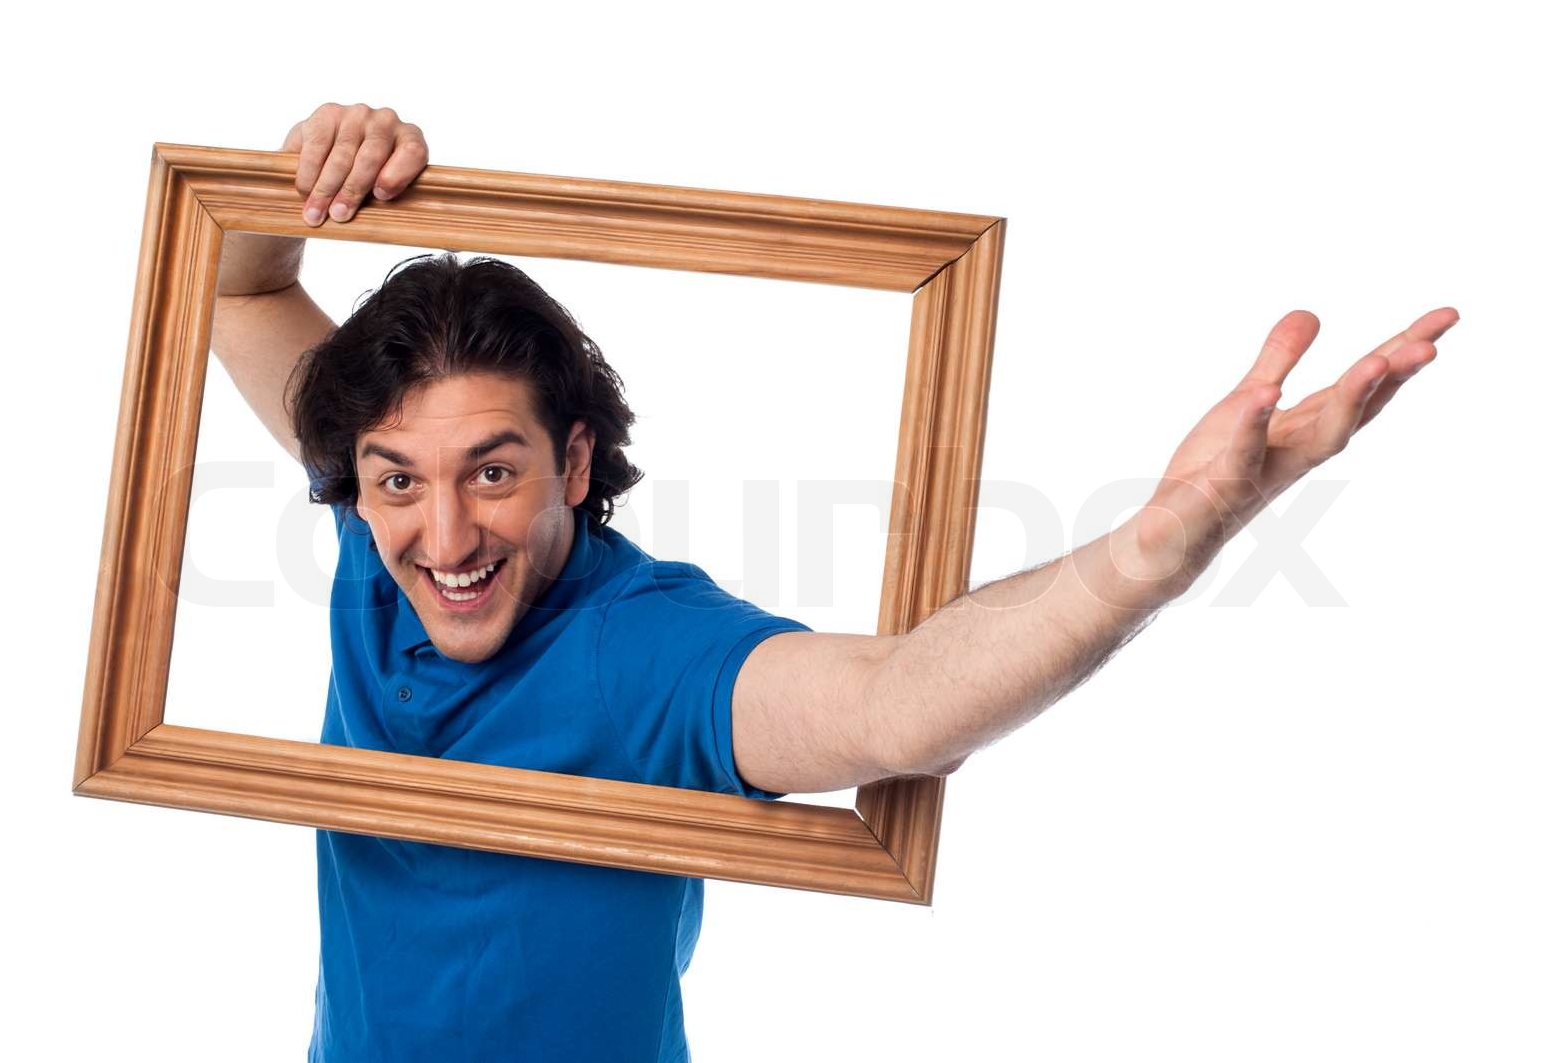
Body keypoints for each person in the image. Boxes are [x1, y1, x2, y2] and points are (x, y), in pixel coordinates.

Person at [211, 103, 1458, 1063]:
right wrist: (308, 166)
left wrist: (1169, 534)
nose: (443, 536)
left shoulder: (643, 648)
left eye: (493, 473)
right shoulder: (380, 526)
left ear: (574, 462)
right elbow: (240, 280)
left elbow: (896, 704)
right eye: (398, 481)